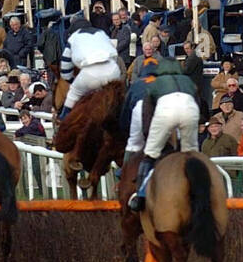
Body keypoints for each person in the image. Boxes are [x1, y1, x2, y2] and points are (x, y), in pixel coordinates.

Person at [127, 58, 201, 211]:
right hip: (190, 112)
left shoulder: (155, 83)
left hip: (165, 113)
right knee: (191, 155)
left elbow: (147, 113)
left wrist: (150, 138)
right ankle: (198, 191)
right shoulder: (188, 82)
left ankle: (140, 196)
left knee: (150, 155)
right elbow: (198, 105)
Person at [58, 16, 122, 117]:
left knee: (73, 93)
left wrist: (71, 81)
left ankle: (63, 122)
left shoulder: (73, 37)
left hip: (90, 73)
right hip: (112, 69)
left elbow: (65, 68)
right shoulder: (101, 33)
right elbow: (114, 54)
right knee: (118, 98)